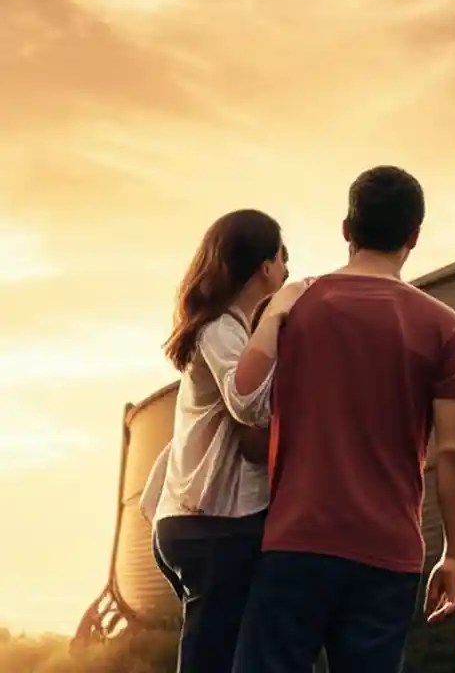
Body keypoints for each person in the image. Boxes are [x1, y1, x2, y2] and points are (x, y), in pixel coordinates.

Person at [231, 165, 455, 673]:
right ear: (414, 235)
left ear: (347, 229)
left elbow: (244, 401)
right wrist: (454, 553)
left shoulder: (294, 304)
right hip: (387, 553)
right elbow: (454, 449)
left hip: (297, 540)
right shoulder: (443, 325)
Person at [141, 209, 292, 673]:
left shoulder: (231, 329)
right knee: (216, 658)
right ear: (265, 267)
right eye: (284, 258)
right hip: (215, 526)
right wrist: (280, 313)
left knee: (230, 653)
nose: (289, 271)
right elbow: (249, 402)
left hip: (199, 522)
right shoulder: (221, 330)